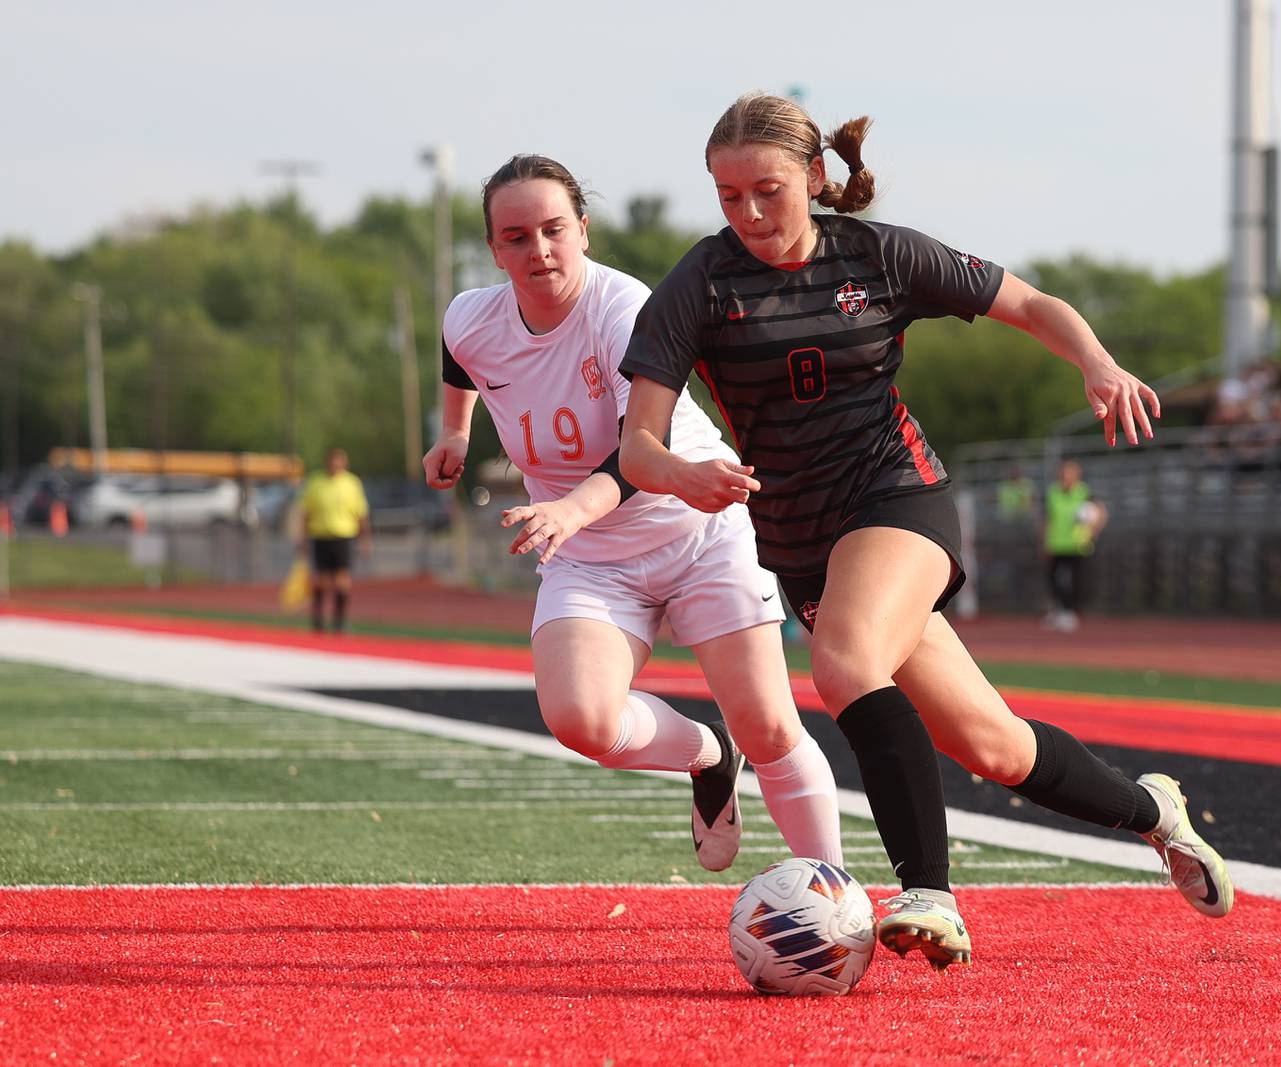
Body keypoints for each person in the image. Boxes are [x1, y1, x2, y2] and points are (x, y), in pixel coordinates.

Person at [619, 92, 1233, 972]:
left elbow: (1032, 304)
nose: (748, 213)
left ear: (816, 177)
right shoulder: (701, 283)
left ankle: (929, 894)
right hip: (799, 540)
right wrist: (680, 473)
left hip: (897, 497)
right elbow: (638, 446)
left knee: (845, 666)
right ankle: (1153, 811)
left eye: (768, 190)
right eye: (727, 196)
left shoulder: (879, 253)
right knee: (994, 745)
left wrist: (1097, 363)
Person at [421, 154, 841, 875]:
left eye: (554, 229)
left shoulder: (623, 310)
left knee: (770, 725)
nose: (538, 250)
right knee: (581, 719)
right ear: (494, 249)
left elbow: (639, 454)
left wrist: (567, 511)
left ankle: (838, 896)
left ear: (583, 229)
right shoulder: (472, 316)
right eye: (516, 236)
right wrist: (456, 432)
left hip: (693, 526)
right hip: (591, 553)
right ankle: (709, 754)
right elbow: (460, 358)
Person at [298, 448, 371, 633]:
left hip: (343, 536)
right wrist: (303, 538)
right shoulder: (316, 482)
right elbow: (306, 513)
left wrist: (365, 538)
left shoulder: (352, 483)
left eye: (339, 461)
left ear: (344, 463)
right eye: (332, 461)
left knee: (342, 580)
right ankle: (318, 621)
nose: (335, 465)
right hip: (321, 535)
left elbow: (361, 513)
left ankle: (340, 622)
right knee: (320, 580)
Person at [1042, 459, 1105, 632]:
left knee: (1074, 581)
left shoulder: (1084, 492)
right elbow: (1047, 518)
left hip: (1077, 545)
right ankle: (1058, 610)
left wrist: (1094, 531)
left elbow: (1100, 512)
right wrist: (1044, 541)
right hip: (1056, 543)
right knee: (1053, 580)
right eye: (1062, 473)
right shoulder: (1053, 492)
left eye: (1068, 473)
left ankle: (1069, 612)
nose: (1064, 476)